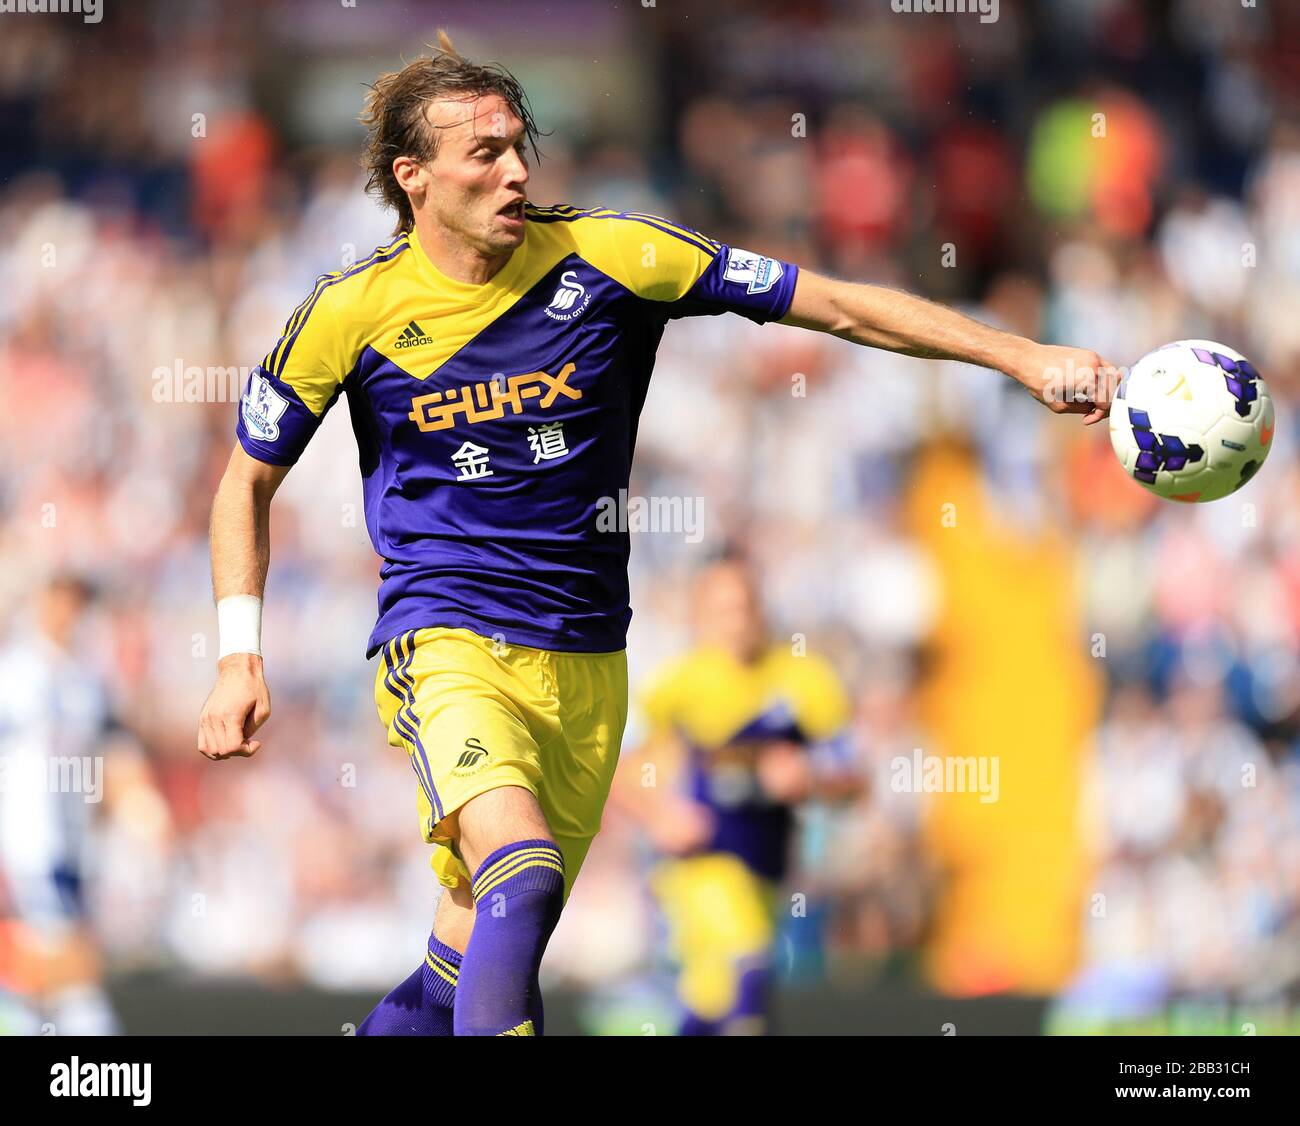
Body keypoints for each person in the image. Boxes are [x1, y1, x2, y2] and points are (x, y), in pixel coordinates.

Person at [196, 30, 1118, 1036]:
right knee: (521, 874)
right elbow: (245, 481)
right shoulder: (351, 310)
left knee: (464, 959)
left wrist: (1019, 356)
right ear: (413, 178)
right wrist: (238, 654)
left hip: (588, 661)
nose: (516, 169)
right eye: (485, 154)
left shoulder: (616, 257)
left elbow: (840, 307)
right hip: (447, 635)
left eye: (518, 145)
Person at [616, 556, 859, 1034]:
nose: (735, 621)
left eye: (744, 607)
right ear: (699, 616)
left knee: (717, 1004)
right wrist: (661, 814)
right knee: (743, 966)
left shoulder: (805, 680)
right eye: (721, 609)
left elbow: (853, 778)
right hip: (699, 866)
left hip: (766, 870)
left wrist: (808, 777)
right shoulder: (677, 684)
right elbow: (617, 769)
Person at [0, 574, 117, 1035]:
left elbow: (109, 756)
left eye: (77, 605)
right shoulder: (14, 671)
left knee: (47, 973)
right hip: (24, 841)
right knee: (68, 970)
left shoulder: (85, 681)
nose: (67, 615)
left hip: (73, 844)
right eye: (60, 601)